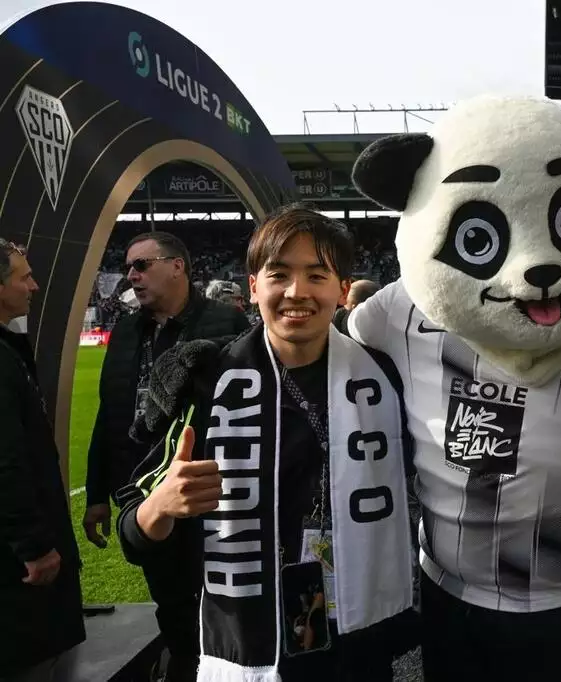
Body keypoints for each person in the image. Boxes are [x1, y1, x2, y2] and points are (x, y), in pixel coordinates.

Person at [116, 205, 417, 681]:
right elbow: (133, 531)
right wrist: (163, 506)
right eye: (279, 274)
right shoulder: (208, 381)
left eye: (316, 275)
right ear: (254, 286)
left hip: (356, 629)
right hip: (248, 631)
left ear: (341, 291)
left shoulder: (386, 377)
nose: (297, 292)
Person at [84, 231, 250, 681]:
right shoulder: (124, 332)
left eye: (142, 265)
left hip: (211, 496)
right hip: (141, 495)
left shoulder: (227, 324)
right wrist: (97, 493)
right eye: (130, 267)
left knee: (222, 600)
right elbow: (109, 414)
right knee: (171, 602)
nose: (131, 275)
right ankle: (183, 660)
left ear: (178, 266)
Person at [0, 240, 85, 680]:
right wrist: (34, 546)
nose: (33, 285)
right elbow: (6, 461)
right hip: (17, 574)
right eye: (23, 276)